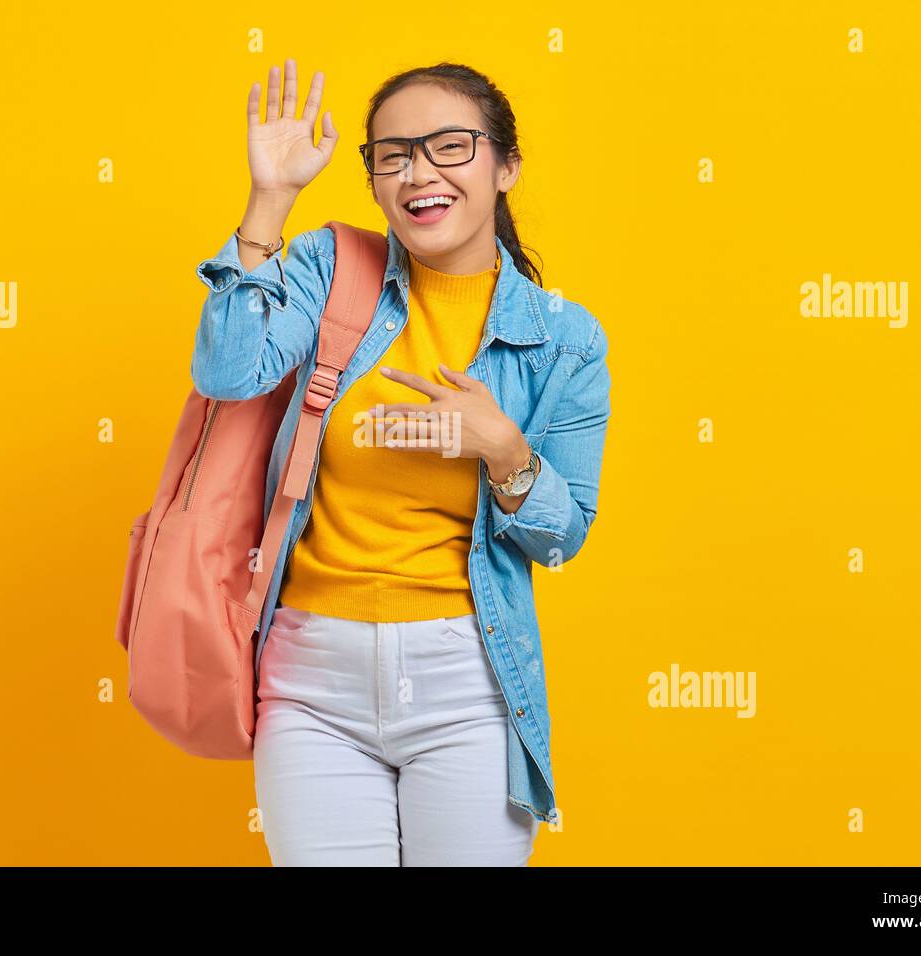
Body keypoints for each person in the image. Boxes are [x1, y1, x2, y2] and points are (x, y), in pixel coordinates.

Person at [190, 59, 611, 865]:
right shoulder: (330, 270)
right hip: (311, 679)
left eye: (450, 146)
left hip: (468, 684)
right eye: (393, 154)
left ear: (506, 168)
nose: (420, 172)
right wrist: (270, 200)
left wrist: (505, 451)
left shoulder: (566, 340)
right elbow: (229, 372)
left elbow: (562, 541)